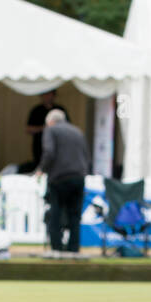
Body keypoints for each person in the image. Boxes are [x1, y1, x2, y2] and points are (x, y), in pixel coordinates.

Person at [35, 109, 89, 255]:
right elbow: (85, 155)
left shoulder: (51, 130)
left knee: (55, 214)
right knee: (75, 216)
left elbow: (49, 152)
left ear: (50, 121)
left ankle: (56, 248)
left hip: (59, 177)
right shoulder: (77, 131)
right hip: (79, 176)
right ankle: (74, 249)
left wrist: (41, 169)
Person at [23, 89, 67, 172]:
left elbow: (67, 126)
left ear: (54, 95)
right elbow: (28, 129)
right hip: (39, 147)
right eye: (45, 94)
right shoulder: (36, 110)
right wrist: (44, 128)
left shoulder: (59, 109)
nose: (47, 97)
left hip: (59, 146)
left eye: (49, 94)